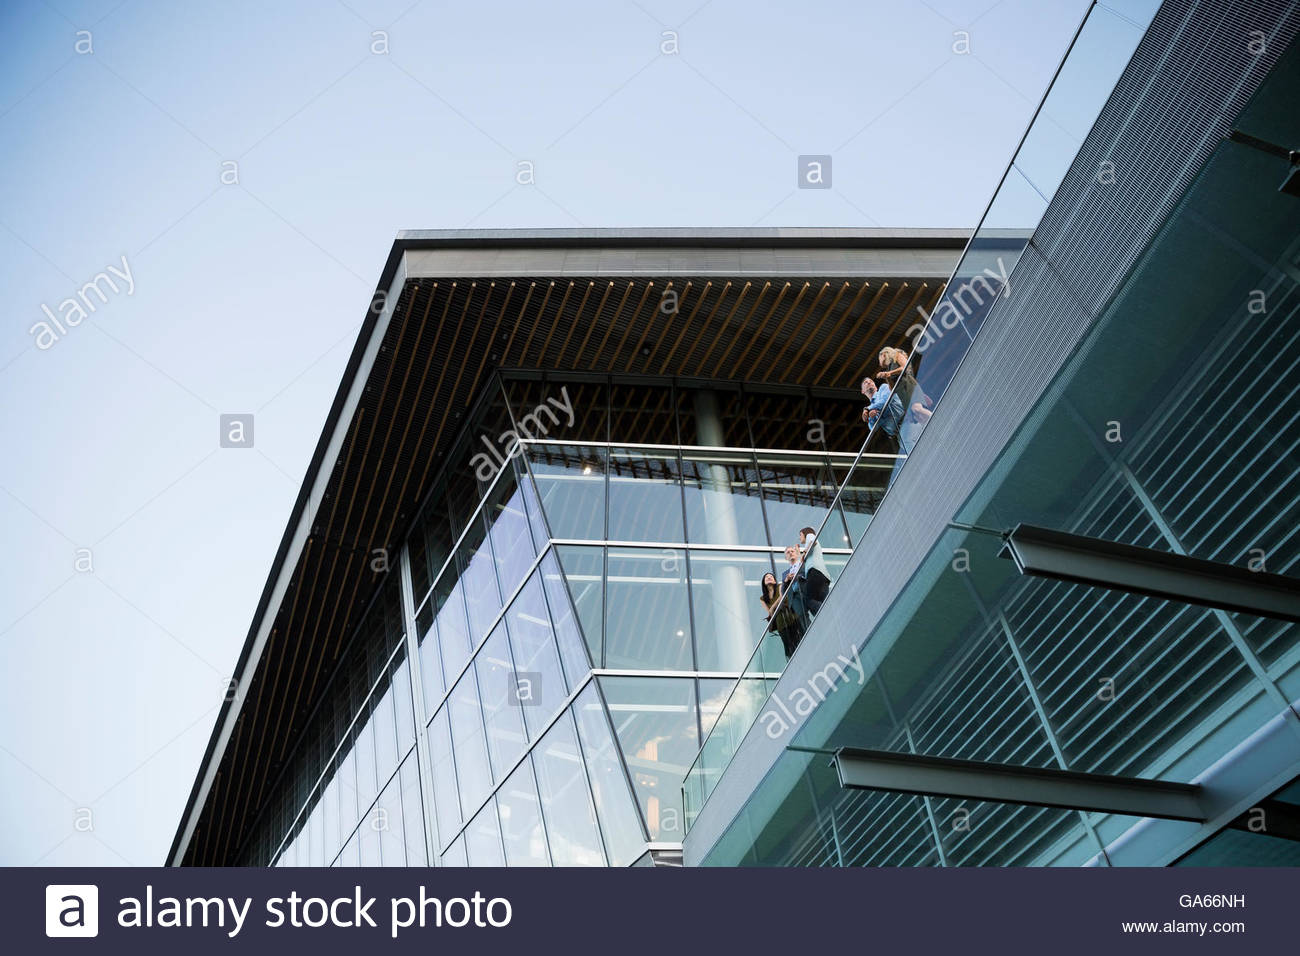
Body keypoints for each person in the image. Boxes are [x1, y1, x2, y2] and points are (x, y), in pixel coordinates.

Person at [761, 571, 804, 659]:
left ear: (774, 580)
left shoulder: (780, 586)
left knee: (800, 639)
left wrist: (773, 607)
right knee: (788, 647)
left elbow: (782, 597)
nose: (769, 578)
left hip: (792, 617)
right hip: (781, 624)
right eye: (766, 577)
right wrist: (772, 609)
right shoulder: (763, 598)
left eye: (771, 577)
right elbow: (769, 612)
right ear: (764, 582)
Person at [861, 376, 903, 455]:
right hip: (899, 436)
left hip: (908, 422)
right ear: (862, 391)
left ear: (875, 385)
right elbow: (873, 428)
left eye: (871, 381)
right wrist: (872, 418)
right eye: (865, 382)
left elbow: (885, 401)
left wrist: (867, 409)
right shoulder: (871, 410)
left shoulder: (884, 388)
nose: (869, 382)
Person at [798, 526, 831, 616]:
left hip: (815, 572)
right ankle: (827, 615)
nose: (799, 537)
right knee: (823, 602)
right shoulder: (810, 548)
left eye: (800, 535)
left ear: (805, 533)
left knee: (807, 600)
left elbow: (813, 541)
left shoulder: (809, 535)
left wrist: (804, 553)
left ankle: (824, 615)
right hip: (823, 576)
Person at [877, 346, 918, 412]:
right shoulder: (889, 369)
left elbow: (905, 367)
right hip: (901, 393)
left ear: (883, 354)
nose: (879, 363)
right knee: (915, 414)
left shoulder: (897, 355)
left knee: (917, 409)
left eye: (879, 359)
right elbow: (892, 389)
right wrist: (887, 377)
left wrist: (890, 373)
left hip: (907, 385)